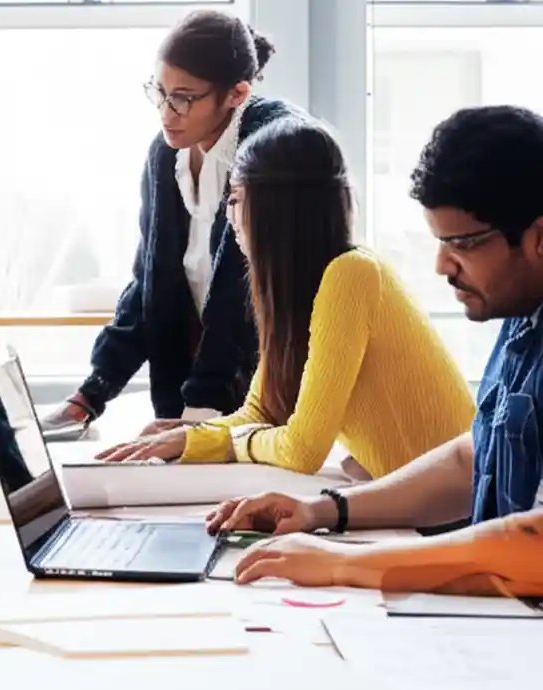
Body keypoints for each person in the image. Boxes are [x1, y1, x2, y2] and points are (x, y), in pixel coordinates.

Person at [205, 106, 543, 596]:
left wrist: (340, 562)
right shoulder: (520, 315)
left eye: (462, 245)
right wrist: (323, 511)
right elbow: (474, 457)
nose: (442, 266)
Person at [97, 118, 474, 481]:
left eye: (236, 199)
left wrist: (220, 440)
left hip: (449, 518)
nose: (229, 217)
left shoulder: (352, 274)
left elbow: (301, 450)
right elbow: (260, 411)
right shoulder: (314, 285)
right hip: (412, 505)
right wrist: (191, 436)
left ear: (275, 209)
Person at [43, 10, 300, 435]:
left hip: (262, 410)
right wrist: (91, 394)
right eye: (159, 92)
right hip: (193, 405)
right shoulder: (166, 155)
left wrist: (199, 416)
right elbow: (151, 280)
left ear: (236, 94)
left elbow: (243, 301)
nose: (166, 112)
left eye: (183, 97)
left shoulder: (273, 150)